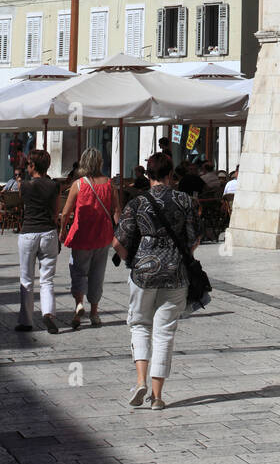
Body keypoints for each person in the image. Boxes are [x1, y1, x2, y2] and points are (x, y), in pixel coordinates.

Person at [112, 151, 199, 410]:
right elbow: (194, 238)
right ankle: (158, 397)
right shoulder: (185, 200)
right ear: (171, 174)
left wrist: (131, 261)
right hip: (176, 273)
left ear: (148, 175)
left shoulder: (138, 203)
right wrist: (180, 256)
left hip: (143, 272)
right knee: (164, 333)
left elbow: (117, 241)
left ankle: (140, 381)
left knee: (139, 324)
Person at [58, 147, 119, 330]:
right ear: (100, 162)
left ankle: (78, 304)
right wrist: (120, 232)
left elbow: (66, 212)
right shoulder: (109, 184)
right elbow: (116, 210)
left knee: (78, 271)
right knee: (97, 274)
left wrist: (62, 231)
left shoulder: (78, 184)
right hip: (103, 235)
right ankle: (94, 313)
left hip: (82, 235)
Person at [16, 148, 61, 333]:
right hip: (48, 232)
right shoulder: (54, 186)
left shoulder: (24, 185)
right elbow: (55, 212)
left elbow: (22, 202)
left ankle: (26, 321)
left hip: (28, 233)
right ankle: (48, 313)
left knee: (26, 279)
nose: (26, 167)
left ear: (33, 165)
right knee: (47, 279)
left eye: (28, 164)